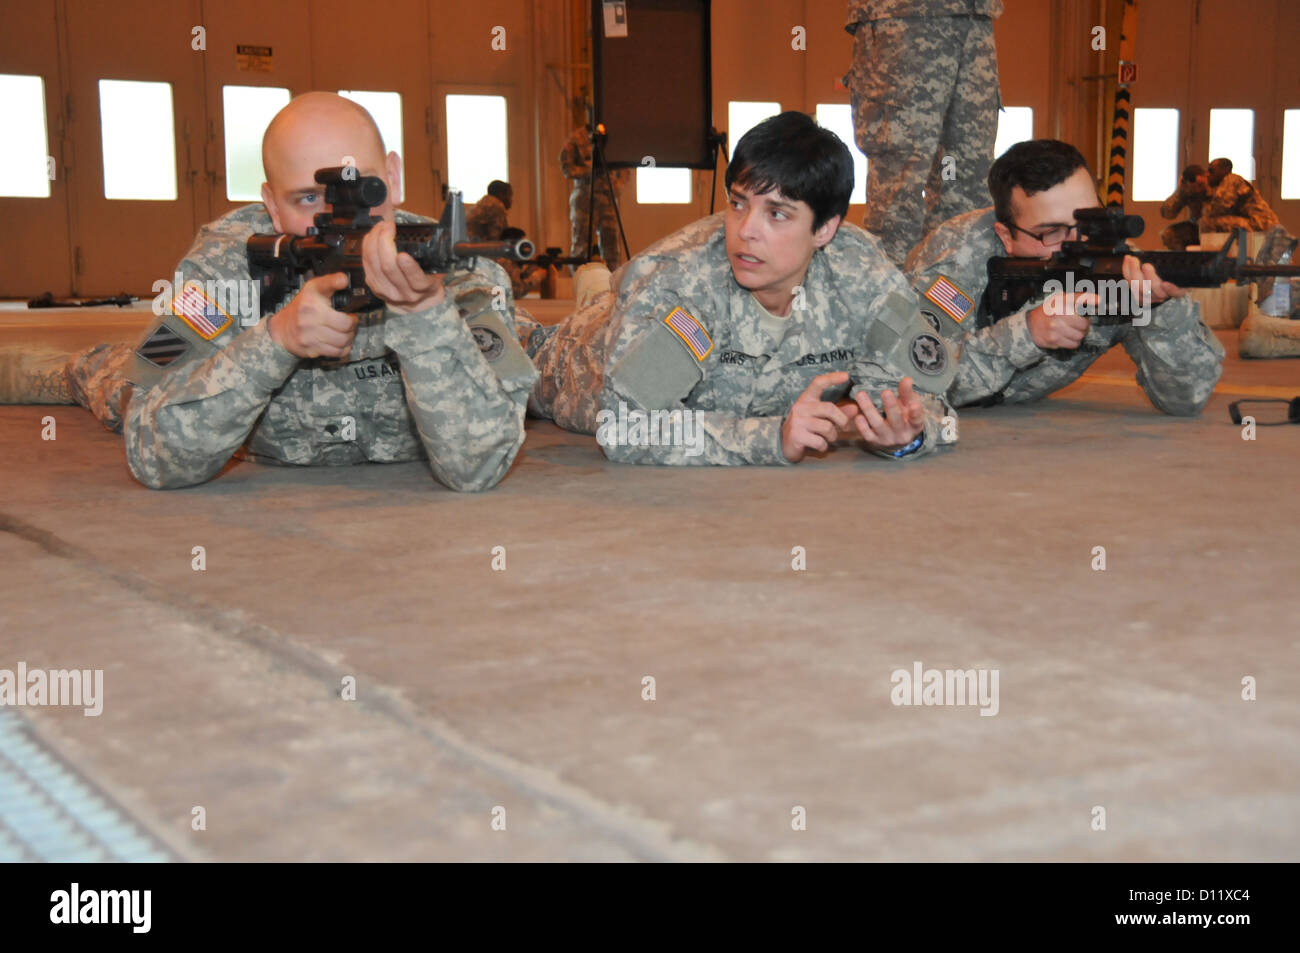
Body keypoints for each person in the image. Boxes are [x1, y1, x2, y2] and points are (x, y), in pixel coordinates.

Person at [1, 93, 536, 491]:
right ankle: (58, 367)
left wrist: (424, 314)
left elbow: (478, 468)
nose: (339, 217)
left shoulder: (462, 277)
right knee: (114, 378)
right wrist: (274, 341)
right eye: (307, 198)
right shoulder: (223, 268)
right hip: (202, 382)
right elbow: (154, 455)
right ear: (271, 205)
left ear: (392, 178)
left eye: (364, 188)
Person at [522, 111, 959, 466]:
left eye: (777, 214)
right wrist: (771, 438)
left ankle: (600, 288)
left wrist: (906, 432)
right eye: (737, 203)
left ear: (826, 229)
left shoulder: (862, 273)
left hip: (641, 321)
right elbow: (625, 428)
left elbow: (929, 393)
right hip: (580, 360)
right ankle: (596, 295)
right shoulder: (682, 279)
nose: (745, 231)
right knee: (515, 353)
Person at [903, 139, 1223, 415]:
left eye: (1088, 221)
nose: (1077, 242)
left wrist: (1159, 309)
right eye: (1052, 232)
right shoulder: (957, 262)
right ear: (1006, 235)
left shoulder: (1121, 268)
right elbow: (911, 380)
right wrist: (1025, 334)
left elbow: (1186, 399)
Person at [843, 0, 1003, 268]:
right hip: (904, 16)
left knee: (967, 175)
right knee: (901, 177)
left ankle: (955, 290)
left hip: (975, 15)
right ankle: (890, 297)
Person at [560, 125, 631, 270]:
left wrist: (617, 186)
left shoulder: (614, 138)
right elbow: (567, 169)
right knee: (582, 245)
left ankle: (613, 282)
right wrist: (590, 170)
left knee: (611, 246)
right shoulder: (577, 139)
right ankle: (580, 281)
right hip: (585, 198)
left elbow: (625, 167)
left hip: (609, 199)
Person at [1201, 158, 1280, 234]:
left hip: (1261, 224)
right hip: (1260, 223)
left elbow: (1219, 208)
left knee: (1207, 222)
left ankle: (1214, 247)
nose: (1207, 174)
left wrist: (1203, 191)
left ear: (1224, 170)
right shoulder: (1223, 184)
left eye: (1211, 171)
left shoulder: (1231, 180)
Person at [1159, 163, 1208, 251]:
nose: (1198, 190)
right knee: (1169, 235)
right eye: (1194, 188)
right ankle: (1186, 261)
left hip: (1217, 229)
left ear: (1205, 176)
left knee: (1205, 223)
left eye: (1200, 185)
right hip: (1196, 228)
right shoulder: (1187, 189)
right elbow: (1167, 214)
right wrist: (1180, 191)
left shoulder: (1216, 185)